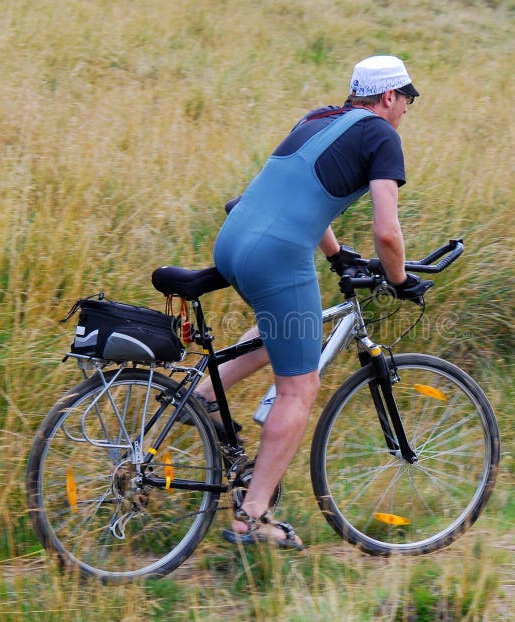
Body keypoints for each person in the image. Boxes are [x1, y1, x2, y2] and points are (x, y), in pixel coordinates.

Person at [199, 55, 428, 548]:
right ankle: (253, 517)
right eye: (407, 99)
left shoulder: (317, 119)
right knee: (299, 388)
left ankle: (204, 398)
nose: (407, 109)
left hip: (234, 239)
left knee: (280, 332)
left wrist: (338, 255)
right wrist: (401, 279)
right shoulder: (382, 135)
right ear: (389, 96)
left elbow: (298, 194)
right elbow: (387, 232)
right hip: (277, 255)